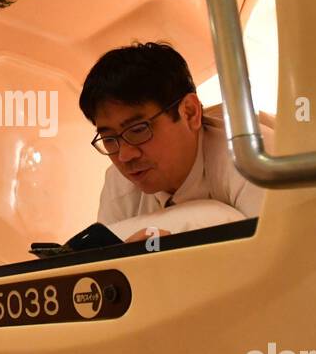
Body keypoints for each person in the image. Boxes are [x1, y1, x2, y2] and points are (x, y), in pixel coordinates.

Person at [78, 42, 265, 241]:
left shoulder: (252, 162)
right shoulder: (119, 185)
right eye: (109, 139)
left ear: (190, 113)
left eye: (138, 130)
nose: (124, 155)